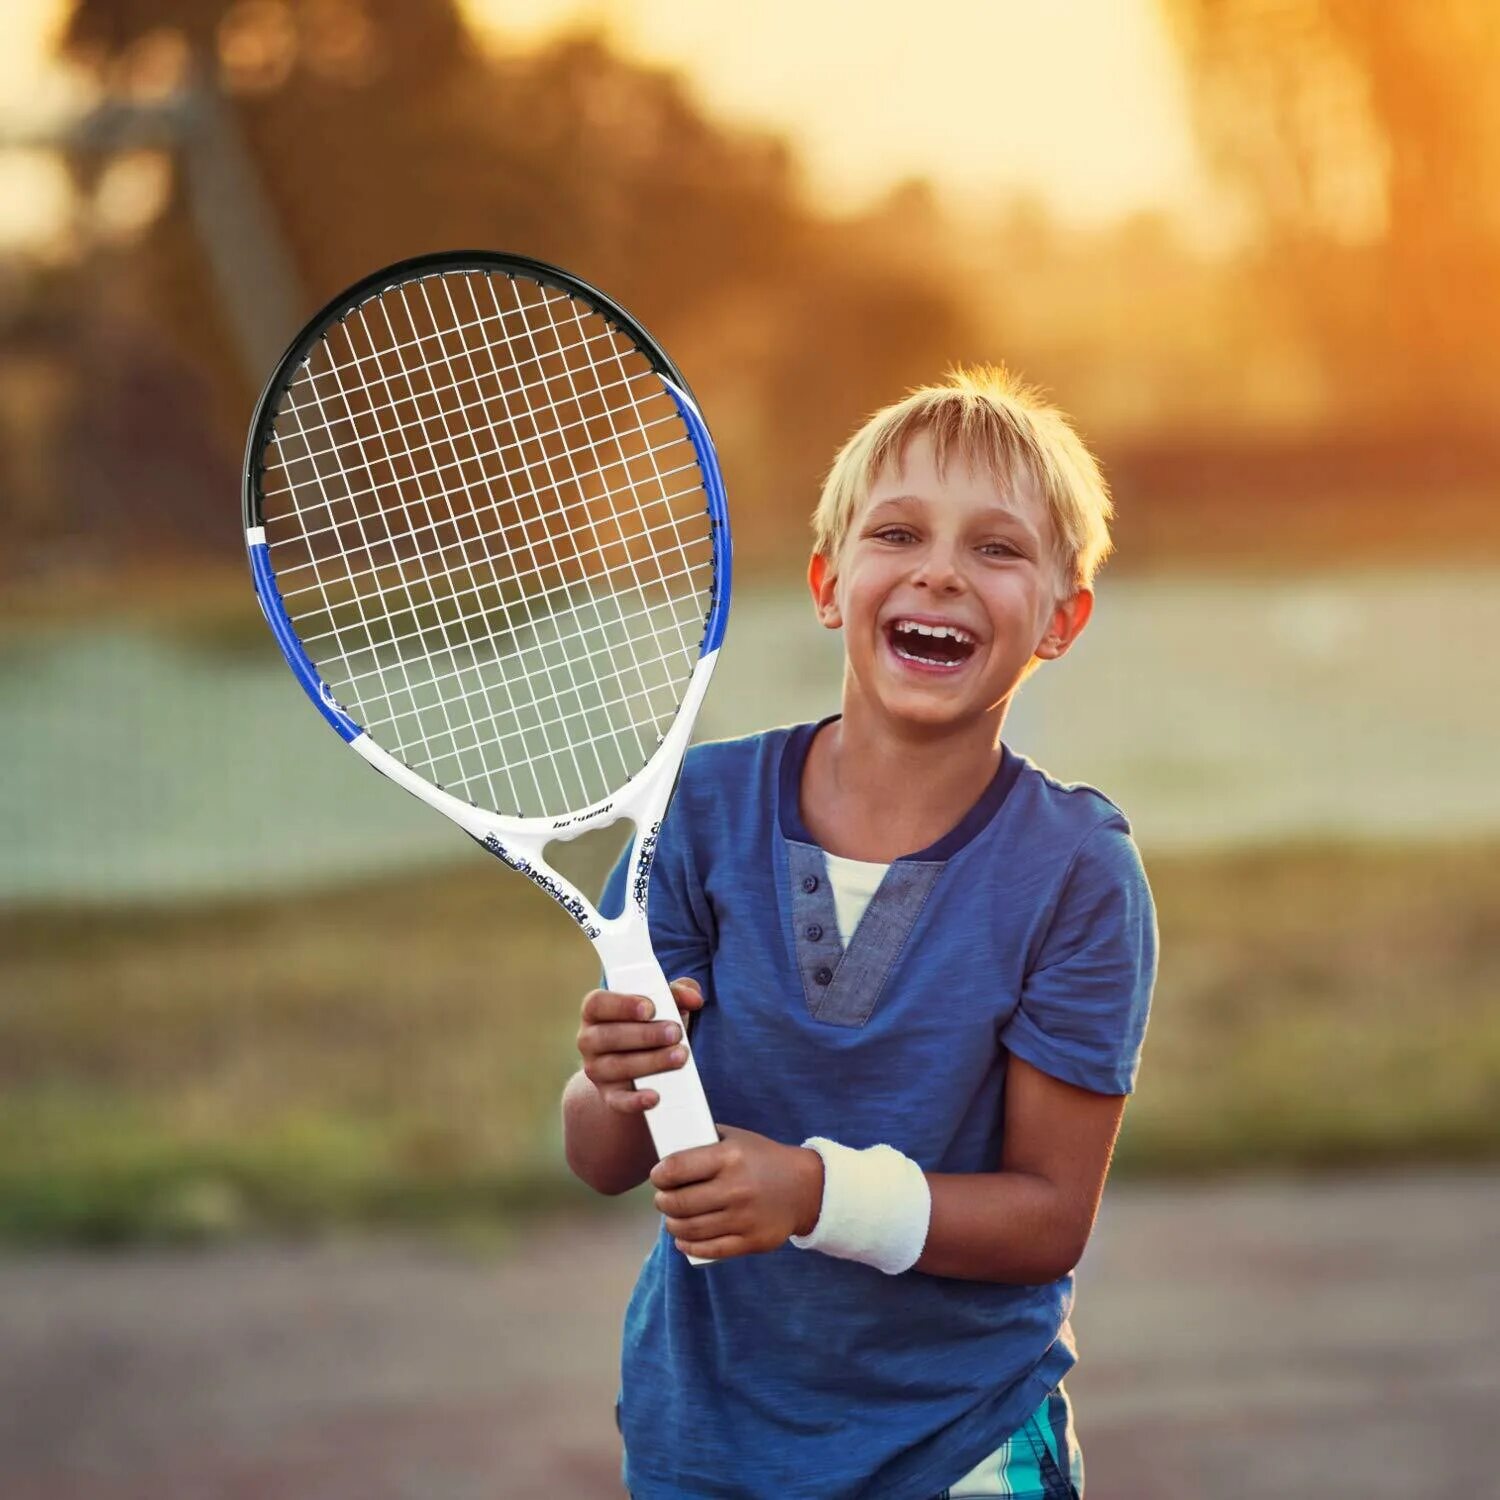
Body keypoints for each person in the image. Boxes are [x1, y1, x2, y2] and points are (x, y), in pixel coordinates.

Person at [560, 365, 1158, 1500]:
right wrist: (611, 1084)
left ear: (1063, 618)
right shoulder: (702, 814)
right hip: (710, 1442)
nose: (939, 570)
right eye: (898, 532)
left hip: (958, 1444)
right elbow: (603, 1159)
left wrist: (814, 1194)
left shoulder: (1077, 872)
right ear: (831, 583)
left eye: (998, 548)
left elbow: (1047, 1219)